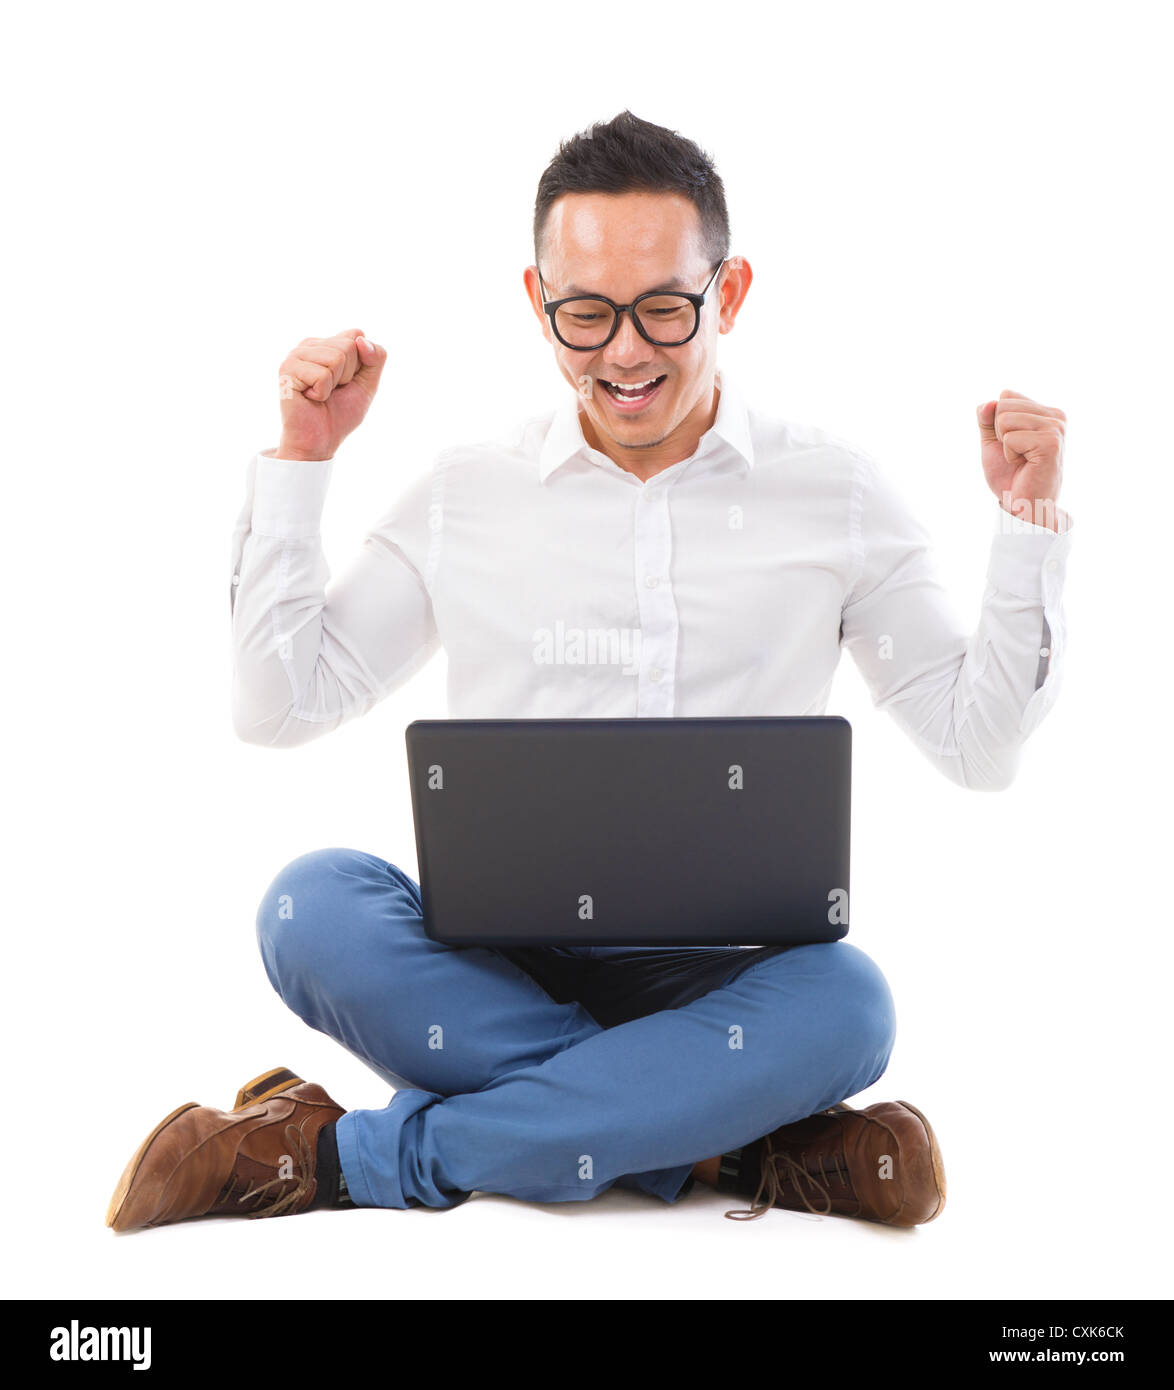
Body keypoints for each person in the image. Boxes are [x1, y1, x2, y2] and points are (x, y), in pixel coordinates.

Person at [106, 110, 1072, 1234]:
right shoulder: (468, 491)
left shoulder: (836, 495)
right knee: (306, 903)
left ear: (732, 292)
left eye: (665, 307)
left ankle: (341, 1156)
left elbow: (980, 746)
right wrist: (300, 464)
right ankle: (719, 1138)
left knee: (850, 1006)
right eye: (585, 313)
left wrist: (1026, 527)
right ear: (536, 302)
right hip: (492, 968)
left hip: (724, 982)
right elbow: (277, 708)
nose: (624, 351)